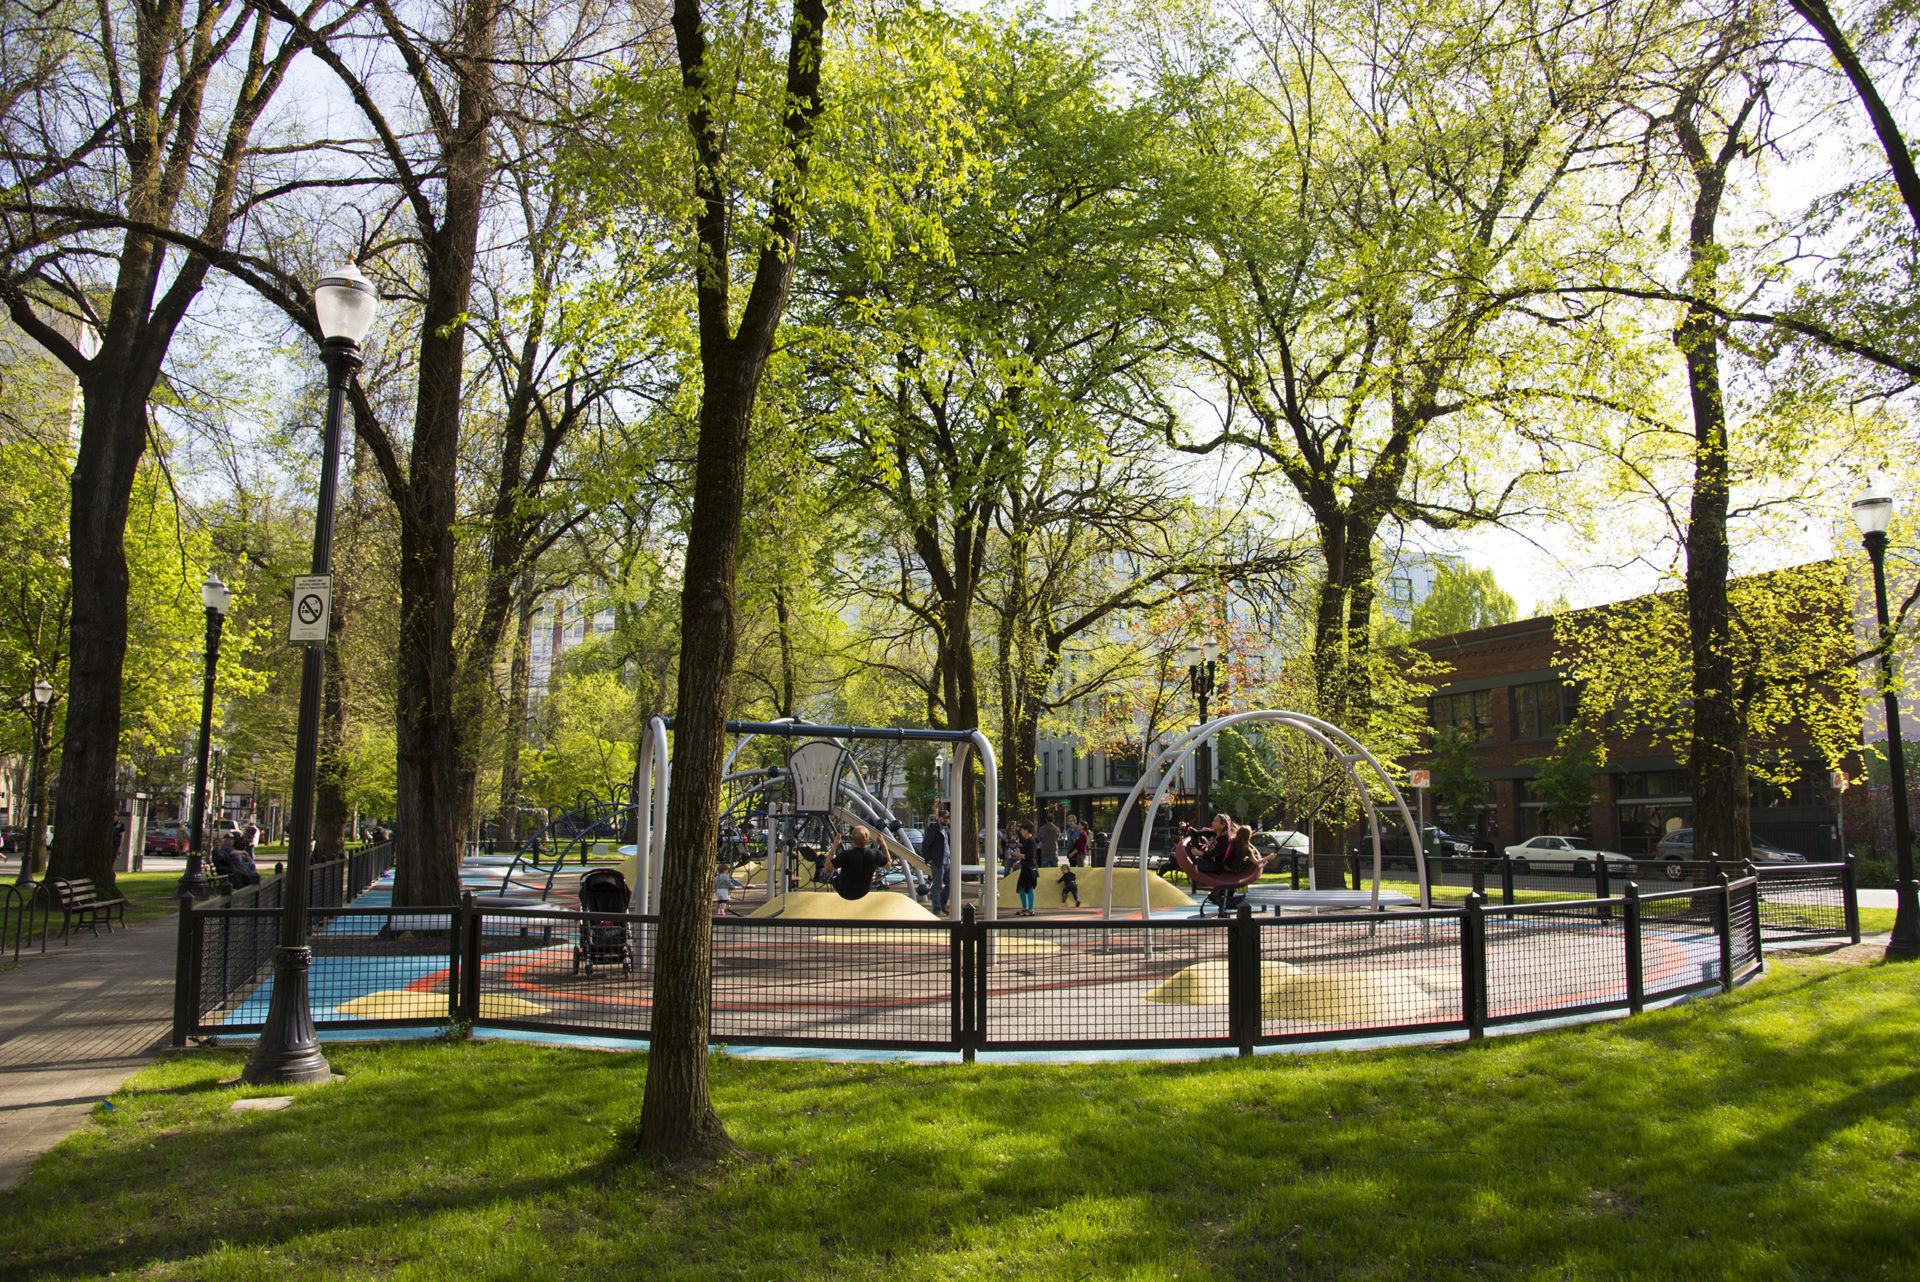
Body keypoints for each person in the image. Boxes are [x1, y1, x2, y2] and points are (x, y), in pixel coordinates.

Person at [824, 825, 890, 901]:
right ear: (868, 839)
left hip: (844, 891)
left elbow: (827, 866)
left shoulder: (846, 854)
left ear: (853, 839)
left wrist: (835, 845)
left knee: (829, 867)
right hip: (863, 891)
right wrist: (883, 845)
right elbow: (888, 864)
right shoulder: (875, 854)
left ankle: (824, 877)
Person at [923, 809, 950, 915]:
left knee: (950, 885)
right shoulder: (934, 831)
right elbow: (925, 845)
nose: (946, 820)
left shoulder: (947, 830)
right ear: (939, 818)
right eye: (944, 818)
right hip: (938, 862)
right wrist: (929, 858)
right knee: (937, 886)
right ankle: (937, 909)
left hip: (947, 861)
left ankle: (942, 904)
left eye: (948, 818)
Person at [1014, 821, 1040, 915]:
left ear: (1026, 830)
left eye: (1022, 830)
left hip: (1030, 869)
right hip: (1025, 867)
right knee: (1021, 887)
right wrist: (1020, 861)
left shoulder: (1031, 841)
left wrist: (1017, 855)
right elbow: (1026, 855)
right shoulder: (1027, 841)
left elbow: (1029, 856)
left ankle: (1031, 909)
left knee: (1029, 887)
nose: (1020, 831)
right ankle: (1024, 907)